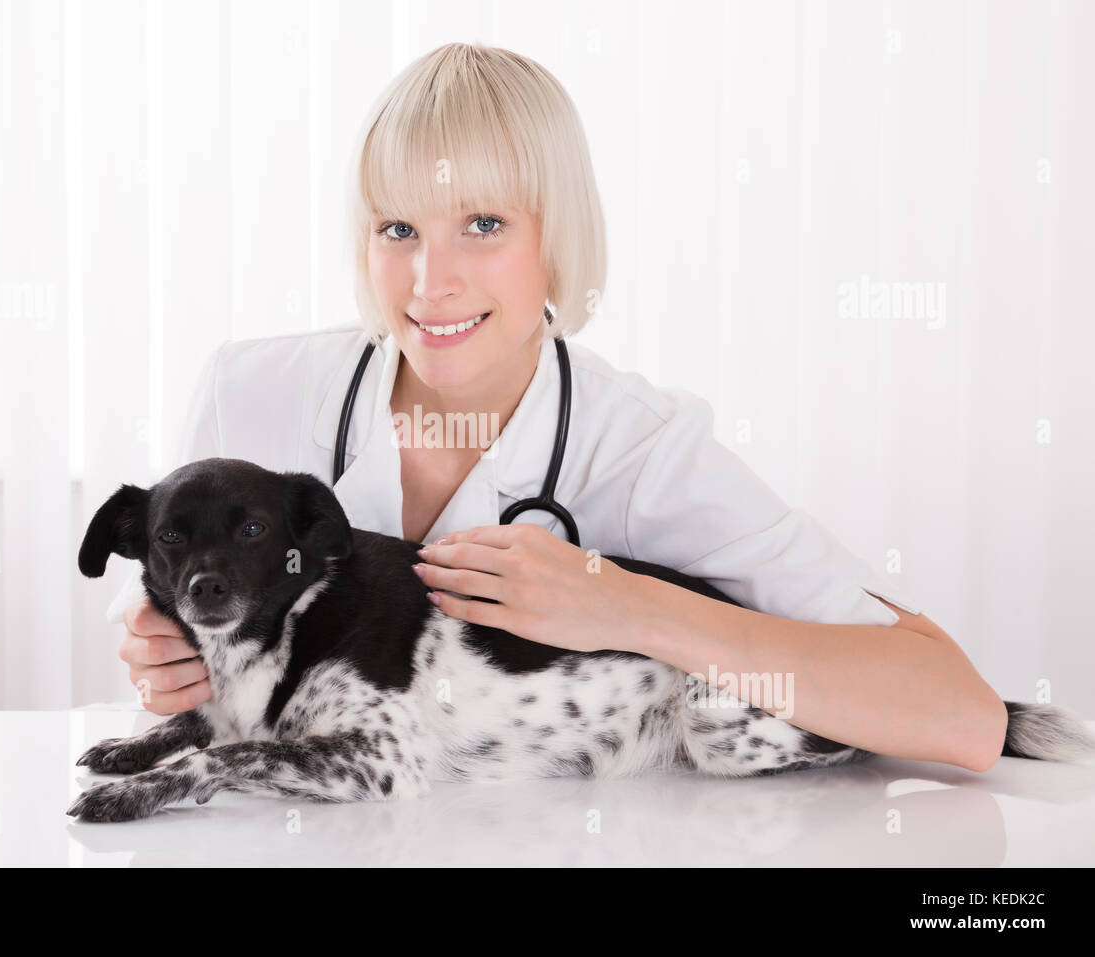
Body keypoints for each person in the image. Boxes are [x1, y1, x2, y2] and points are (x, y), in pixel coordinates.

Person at [107, 42, 1007, 771]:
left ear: (557, 235)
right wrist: (163, 655)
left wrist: (622, 603)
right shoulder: (252, 394)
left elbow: (960, 713)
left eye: (484, 225)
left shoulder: (644, 449)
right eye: (399, 229)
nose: (432, 281)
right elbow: (195, 661)